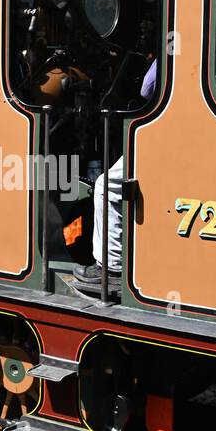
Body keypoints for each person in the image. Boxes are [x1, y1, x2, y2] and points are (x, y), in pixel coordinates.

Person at [73, 56, 159, 297]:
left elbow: (147, 88)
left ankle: (111, 270)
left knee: (106, 185)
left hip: (168, 136)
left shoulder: (170, 47)